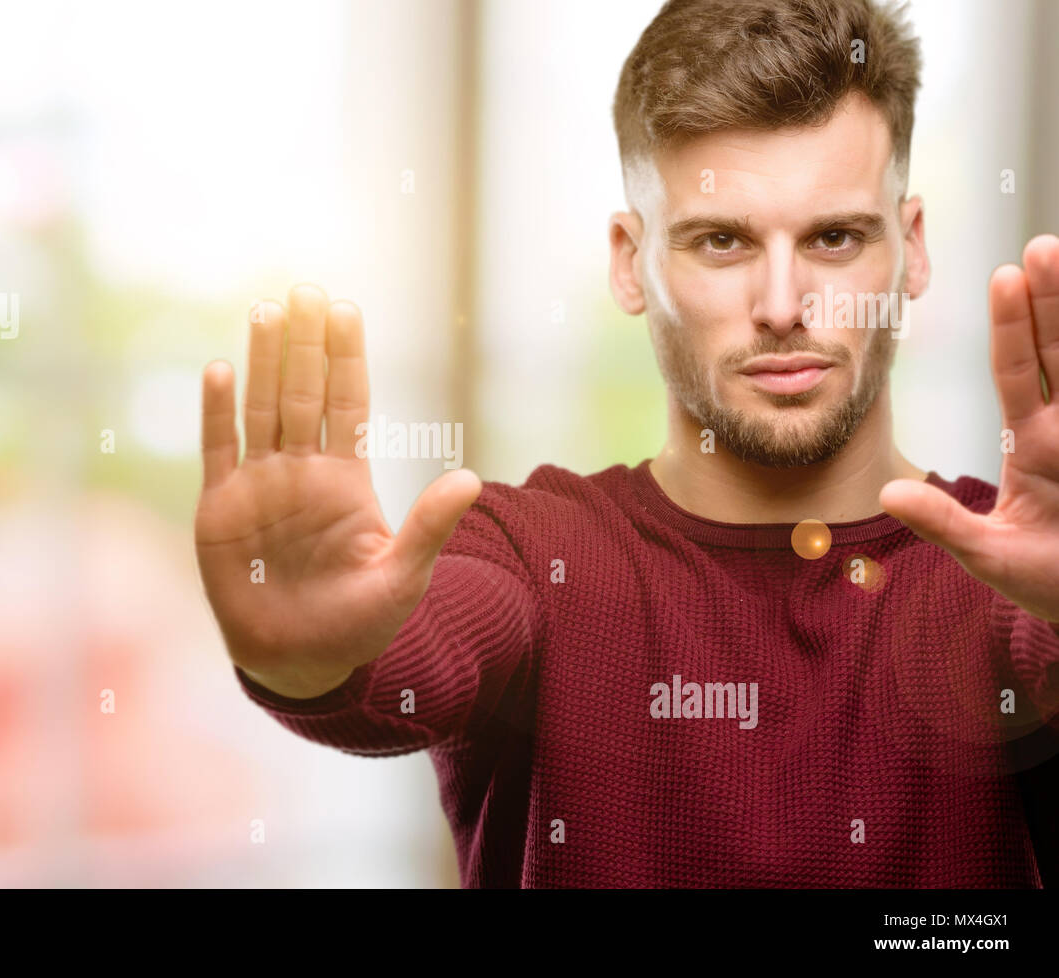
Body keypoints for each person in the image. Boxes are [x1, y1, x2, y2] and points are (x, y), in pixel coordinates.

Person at [194, 0, 1059, 887]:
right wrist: (316, 660)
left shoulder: (1019, 576)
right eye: (721, 241)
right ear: (627, 261)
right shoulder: (537, 556)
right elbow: (424, 652)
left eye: (835, 238)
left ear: (910, 250)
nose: (783, 303)